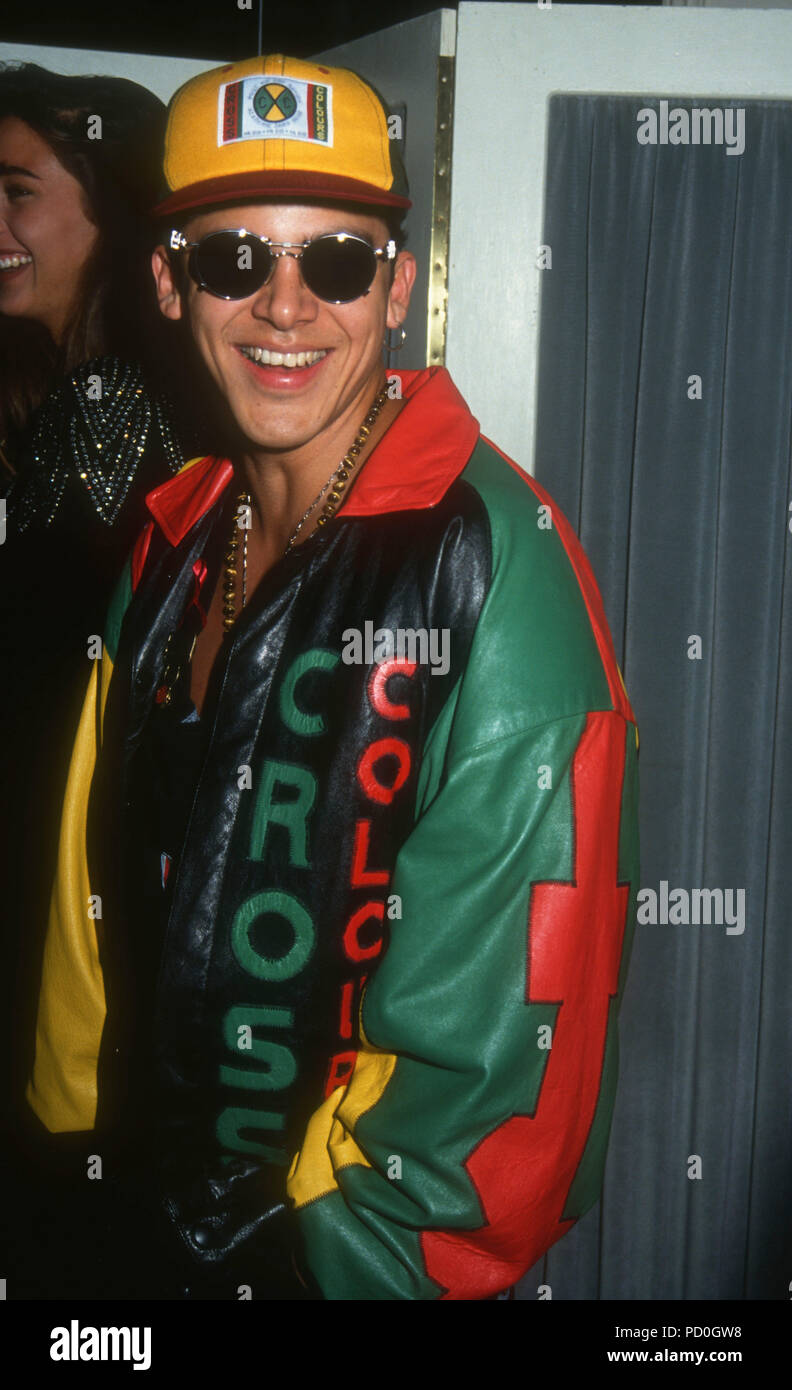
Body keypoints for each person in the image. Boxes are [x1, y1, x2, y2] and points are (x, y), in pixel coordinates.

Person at [19, 54, 640, 1301]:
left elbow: (515, 1052)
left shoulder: (492, 565)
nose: (286, 306)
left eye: (338, 261)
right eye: (235, 257)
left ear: (398, 288)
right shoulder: (173, 536)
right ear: (169, 283)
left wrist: (322, 1272)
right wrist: (68, 1173)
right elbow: (88, 925)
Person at [0, 64, 203, 1141]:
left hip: (67, 884)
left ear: (105, 207)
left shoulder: (103, 402)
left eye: (17, 190)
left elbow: (43, 700)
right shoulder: (107, 383)